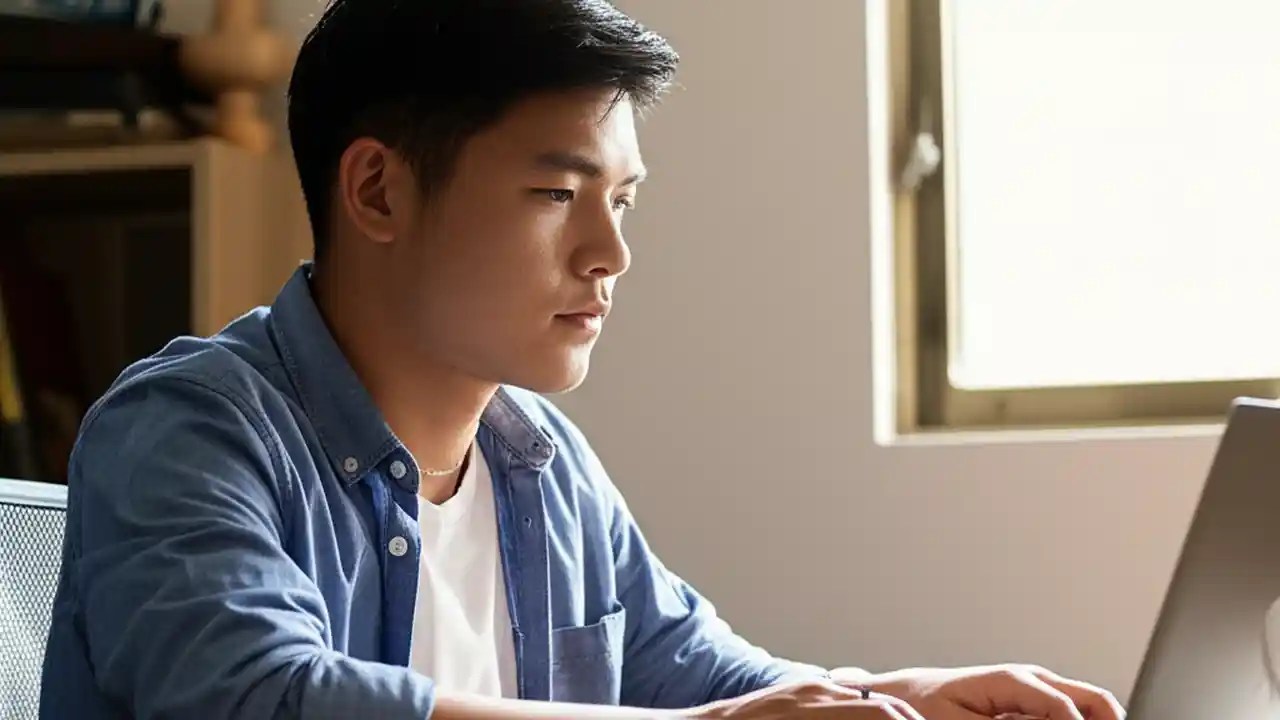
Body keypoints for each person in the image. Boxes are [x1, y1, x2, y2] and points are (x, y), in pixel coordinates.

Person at [39, 1, 1126, 719]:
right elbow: (259, 697)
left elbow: (697, 677)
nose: (608, 254)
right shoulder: (189, 428)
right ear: (375, 190)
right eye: (557, 195)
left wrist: (902, 694)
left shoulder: (537, 462)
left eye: (621, 200)